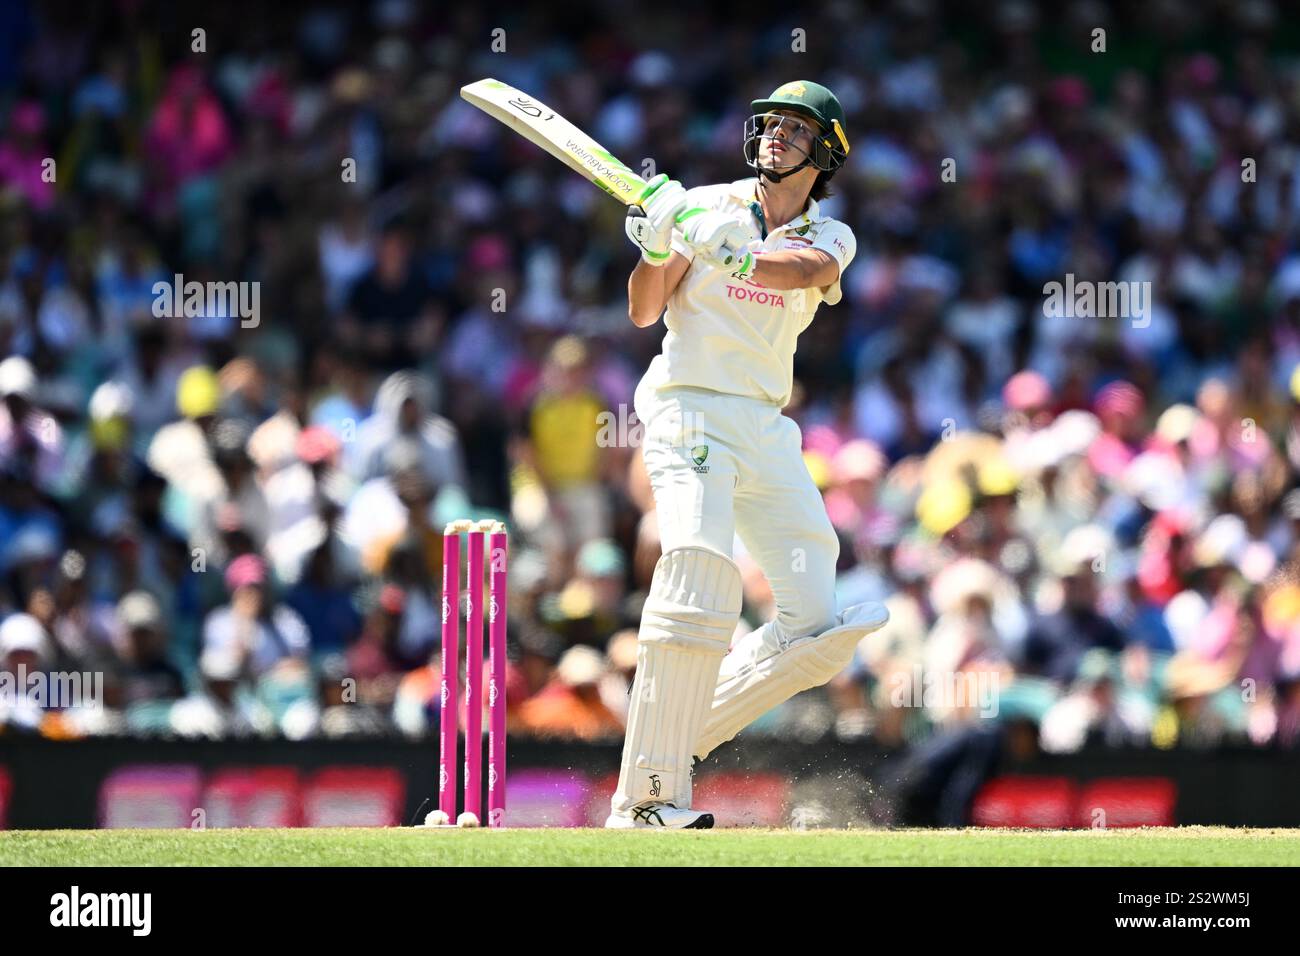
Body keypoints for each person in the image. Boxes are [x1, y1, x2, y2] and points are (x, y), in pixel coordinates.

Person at [607, 81, 887, 828]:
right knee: (701, 567)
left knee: (819, 625)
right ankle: (649, 797)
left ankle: (665, 745)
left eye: (796, 131)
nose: (775, 138)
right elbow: (643, 309)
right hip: (687, 408)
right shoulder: (703, 204)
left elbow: (797, 273)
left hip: (763, 424)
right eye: (770, 125)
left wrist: (734, 255)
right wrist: (661, 244)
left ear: (825, 154)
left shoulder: (832, 235)